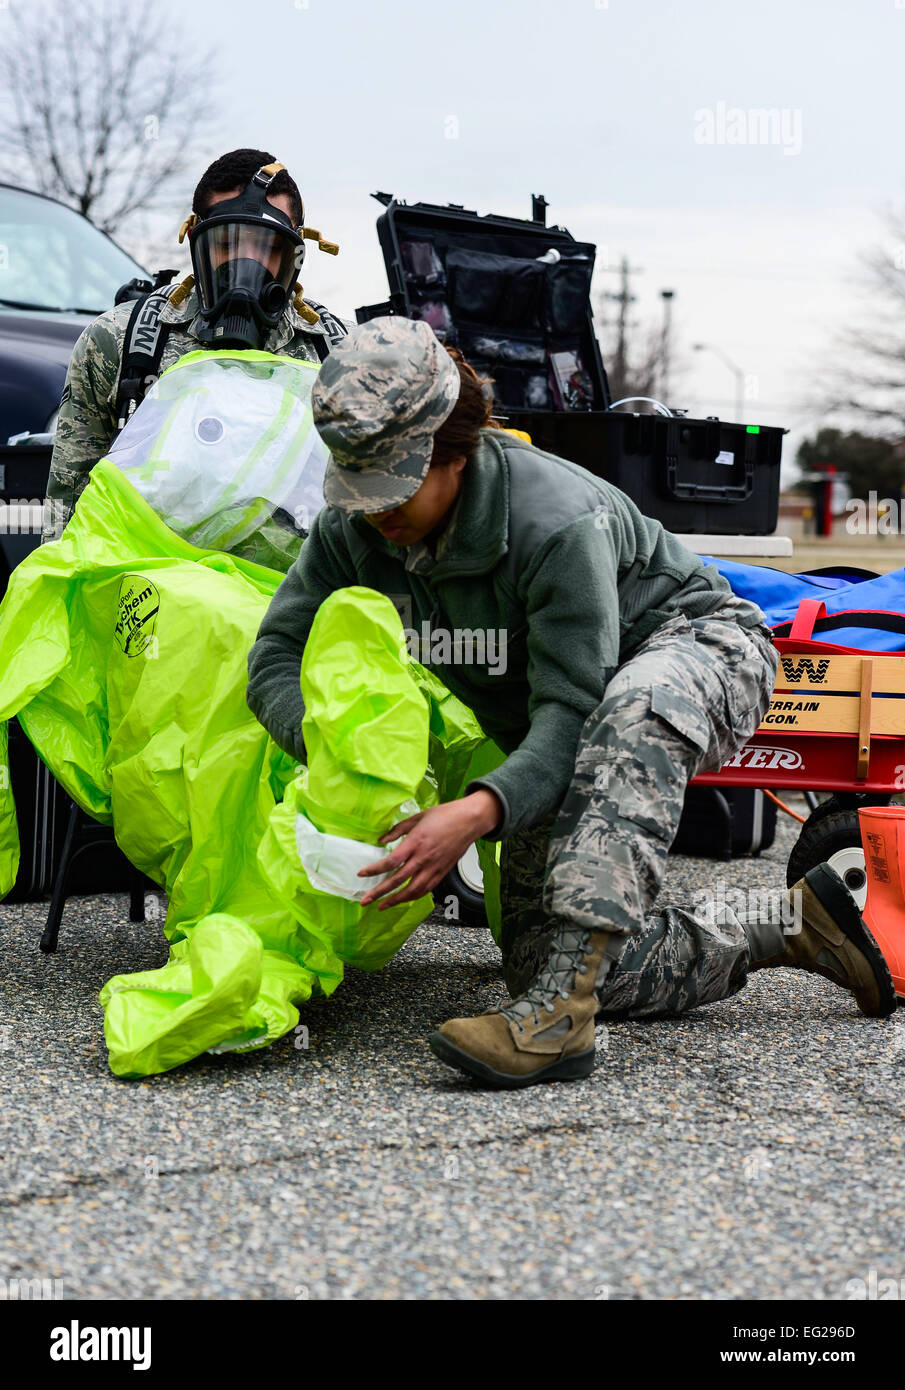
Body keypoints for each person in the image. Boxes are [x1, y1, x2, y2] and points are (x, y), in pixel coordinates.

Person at [246, 317, 896, 1089]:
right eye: (357, 484)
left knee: (632, 709)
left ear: (452, 450)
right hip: (569, 724)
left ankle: (559, 1023)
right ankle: (797, 925)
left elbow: (573, 709)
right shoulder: (355, 527)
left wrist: (476, 812)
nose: (374, 509)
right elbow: (273, 657)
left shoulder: (553, 520)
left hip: (697, 652)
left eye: (394, 482)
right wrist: (327, 742)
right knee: (553, 961)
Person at [43, 148, 347, 542]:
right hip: (147, 594)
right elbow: (64, 516)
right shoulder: (119, 341)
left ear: (294, 255)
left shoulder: (339, 355)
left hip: (285, 597)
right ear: (196, 242)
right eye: (226, 245)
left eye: (268, 248)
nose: (246, 264)